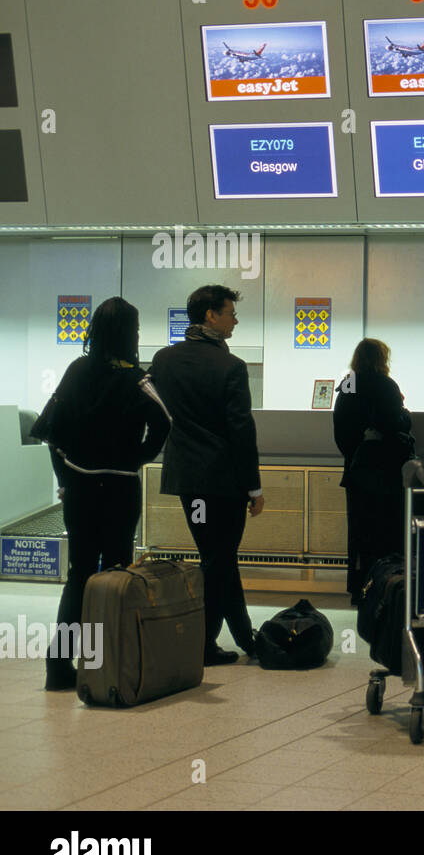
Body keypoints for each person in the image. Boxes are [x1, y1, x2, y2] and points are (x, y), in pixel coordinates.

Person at [34, 298, 171, 690]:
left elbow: (49, 429)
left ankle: (58, 667)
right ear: (131, 334)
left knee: (80, 575)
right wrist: (139, 457)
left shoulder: (76, 371)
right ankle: (104, 662)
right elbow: (165, 420)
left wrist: (64, 474)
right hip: (119, 488)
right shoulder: (137, 379)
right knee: (114, 575)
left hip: (80, 489)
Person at [148, 285, 264, 666]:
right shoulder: (230, 366)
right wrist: (254, 487)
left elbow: (151, 412)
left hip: (190, 486)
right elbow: (241, 431)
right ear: (211, 315)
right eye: (230, 312)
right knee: (219, 559)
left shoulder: (163, 360)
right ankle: (204, 643)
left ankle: (243, 637)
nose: (235, 319)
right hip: (224, 484)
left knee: (215, 557)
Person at [333, 338, 413, 606]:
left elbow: (341, 430)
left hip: (356, 473)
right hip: (385, 474)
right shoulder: (384, 384)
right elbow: (394, 423)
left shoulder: (348, 383)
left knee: (360, 533)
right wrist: (405, 412)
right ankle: (384, 586)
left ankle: (359, 588)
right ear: (382, 358)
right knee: (387, 533)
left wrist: (354, 454)